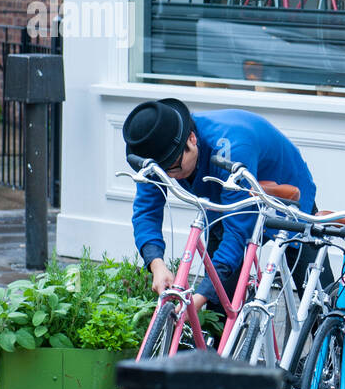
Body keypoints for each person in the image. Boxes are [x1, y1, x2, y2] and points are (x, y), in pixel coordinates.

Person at [123, 98, 322, 312]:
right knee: (218, 301)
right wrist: (157, 264)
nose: (172, 176)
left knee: (314, 294)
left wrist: (200, 296)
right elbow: (146, 212)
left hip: (286, 191)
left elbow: (236, 233)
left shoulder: (231, 145)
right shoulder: (158, 152)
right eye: (165, 173)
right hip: (226, 193)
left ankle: (330, 334)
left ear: (192, 139)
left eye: (175, 168)